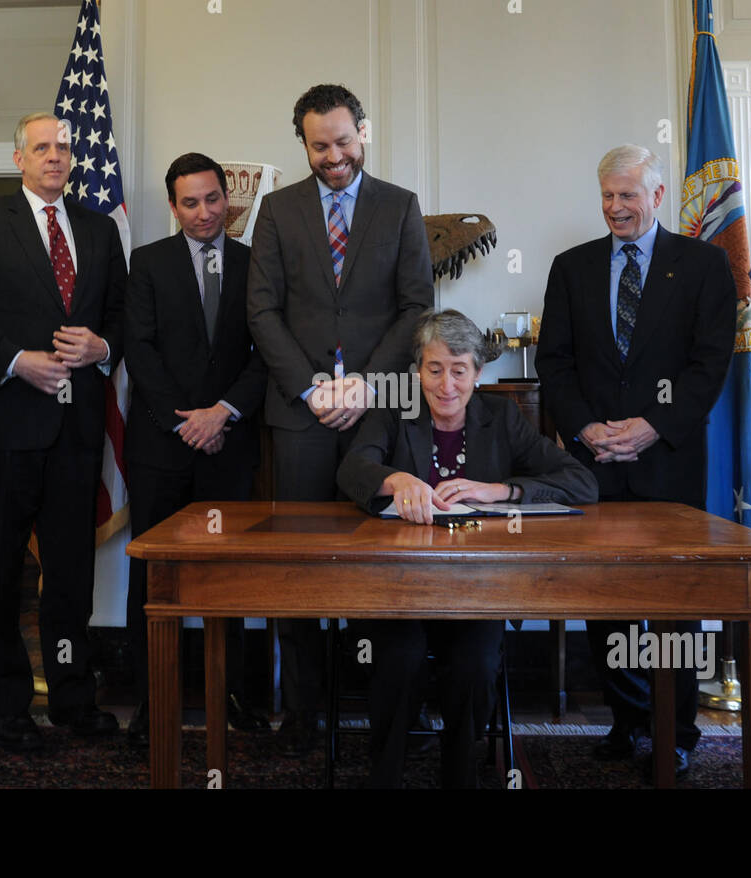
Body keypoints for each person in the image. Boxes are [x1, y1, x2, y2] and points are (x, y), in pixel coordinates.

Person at [535, 144, 736, 778]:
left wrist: (653, 427)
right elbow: (555, 365)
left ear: (656, 197)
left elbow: (711, 365)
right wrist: (586, 427)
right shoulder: (571, 267)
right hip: (594, 462)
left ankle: (676, 729)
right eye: (607, 196)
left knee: (673, 601)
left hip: (669, 462)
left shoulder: (703, 264)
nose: (615, 207)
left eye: (628, 195)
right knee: (605, 599)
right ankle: (627, 720)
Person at [248, 83, 434, 753]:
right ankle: (303, 717)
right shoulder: (275, 211)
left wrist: (364, 383)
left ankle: (390, 711)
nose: (333, 157)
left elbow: (416, 306)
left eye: (344, 143)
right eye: (318, 145)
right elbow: (261, 310)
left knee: (383, 566)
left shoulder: (401, 206)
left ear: (365, 131)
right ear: (302, 141)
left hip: (377, 414)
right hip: (299, 419)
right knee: (299, 565)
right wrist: (310, 389)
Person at [338, 309, 596, 787]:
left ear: (478, 373)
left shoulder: (499, 417)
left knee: (475, 663)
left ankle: (460, 771)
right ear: (418, 371)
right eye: (434, 369)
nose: (446, 384)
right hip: (399, 590)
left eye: (459, 370)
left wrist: (502, 490)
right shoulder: (396, 411)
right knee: (399, 658)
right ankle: (385, 773)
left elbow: (580, 481)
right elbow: (351, 470)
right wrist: (394, 480)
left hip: (476, 590)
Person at [0, 112, 127, 750]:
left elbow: (121, 312)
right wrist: (14, 360)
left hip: (78, 431)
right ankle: (10, 709)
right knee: (0, 576)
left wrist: (102, 345)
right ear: (18, 158)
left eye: (63, 147)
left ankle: (72, 698)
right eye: (42, 148)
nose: (55, 156)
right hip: (6, 430)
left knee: (70, 575)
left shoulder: (100, 228)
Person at [123, 153, 268, 746]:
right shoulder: (147, 263)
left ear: (226, 199)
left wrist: (222, 413)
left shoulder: (257, 263)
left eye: (213, 199)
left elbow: (267, 353)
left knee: (225, 576)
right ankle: (150, 705)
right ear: (173, 205)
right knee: (152, 579)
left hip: (229, 446)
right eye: (191, 202)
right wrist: (186, 423)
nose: (205, 212)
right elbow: (140, 348)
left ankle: (231, 692)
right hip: (161, 447)